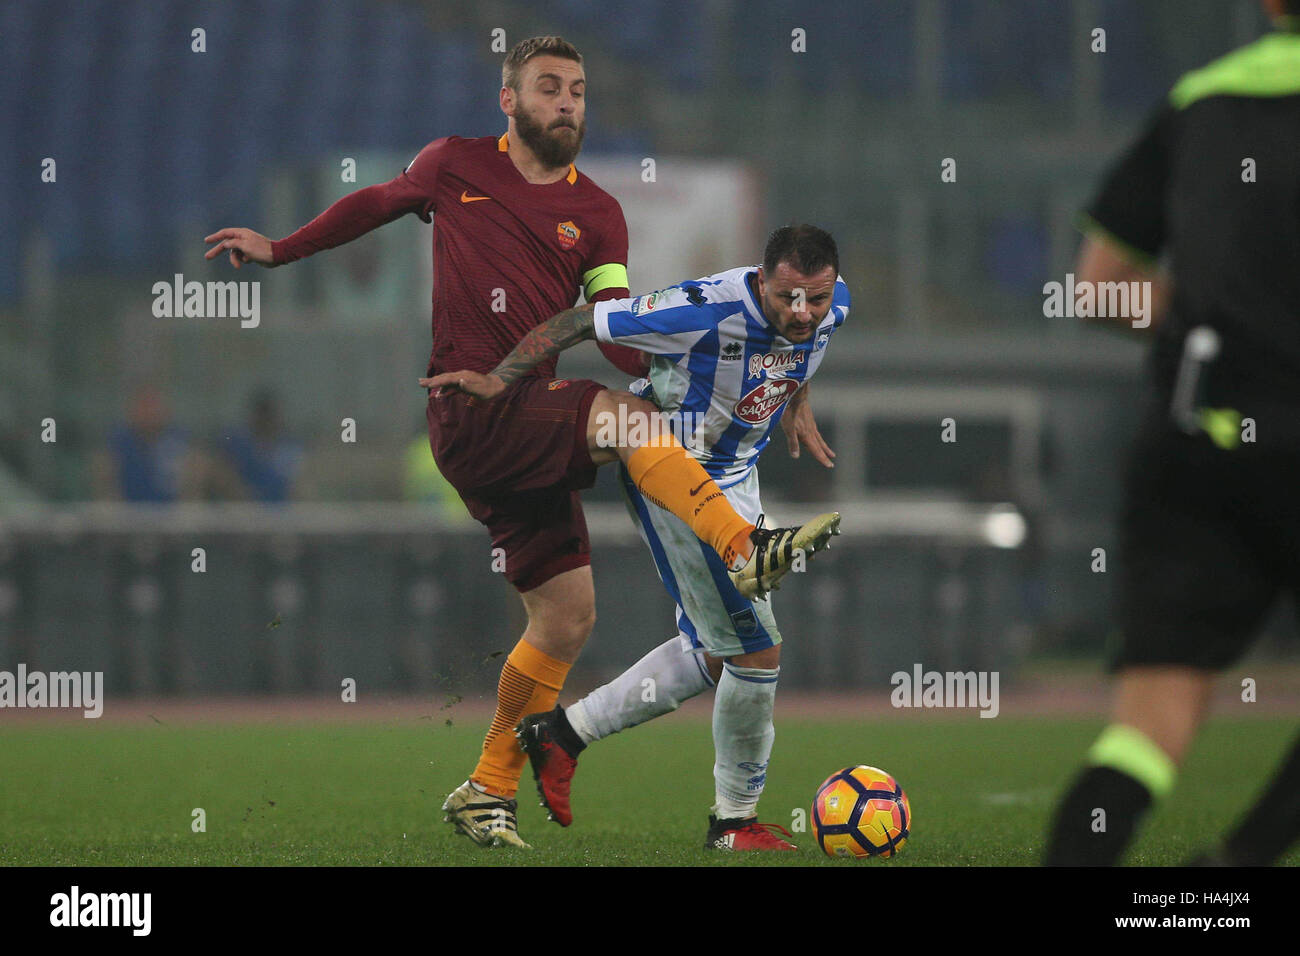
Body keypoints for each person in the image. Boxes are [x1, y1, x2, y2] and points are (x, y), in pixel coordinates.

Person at [204, 36, 831, 848]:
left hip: (526, 422)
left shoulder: (600, 213)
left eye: (576, 90)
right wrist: (281, 249)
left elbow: (614, 331)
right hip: (471, 408)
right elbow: (376, 204)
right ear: (509, 100)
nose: (566, 102)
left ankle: (486, 786)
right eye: (548, 88)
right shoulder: (454, 165)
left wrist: (698, 356)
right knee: (632, 423)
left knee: (567, 618)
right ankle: (743, 545)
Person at [427, 224, 846, 850]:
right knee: (756, 653)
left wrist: (797, 399)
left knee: (714, 652)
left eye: (815, 298)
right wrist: (500, 380)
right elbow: (577, 321)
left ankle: (562, 736)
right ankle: (733, 824)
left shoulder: (831, 305)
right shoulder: (702, 309)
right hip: (677, 474)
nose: (802, 311)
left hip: (742, 478)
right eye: (788, 298)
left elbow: (801, 348)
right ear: (761, 280)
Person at [1043, 1, 1300, 866]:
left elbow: (1099, 284)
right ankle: (1235, 872)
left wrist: (1205, 322)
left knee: (1146, 731)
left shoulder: (1199, 101)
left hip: (1194, 449)